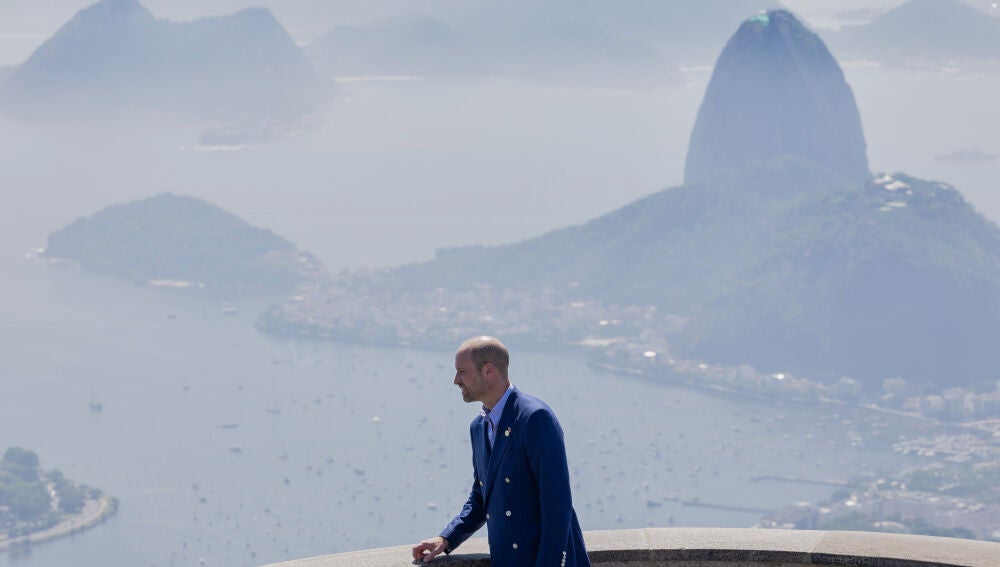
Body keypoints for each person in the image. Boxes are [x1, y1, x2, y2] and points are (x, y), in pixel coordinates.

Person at [412, 336, 591, 566]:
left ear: (488, 371)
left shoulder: (534, 418)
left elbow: (557, 505)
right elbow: (482, 496)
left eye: (462, 371)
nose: (456, 380)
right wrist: (446, 538)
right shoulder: (478, 427)